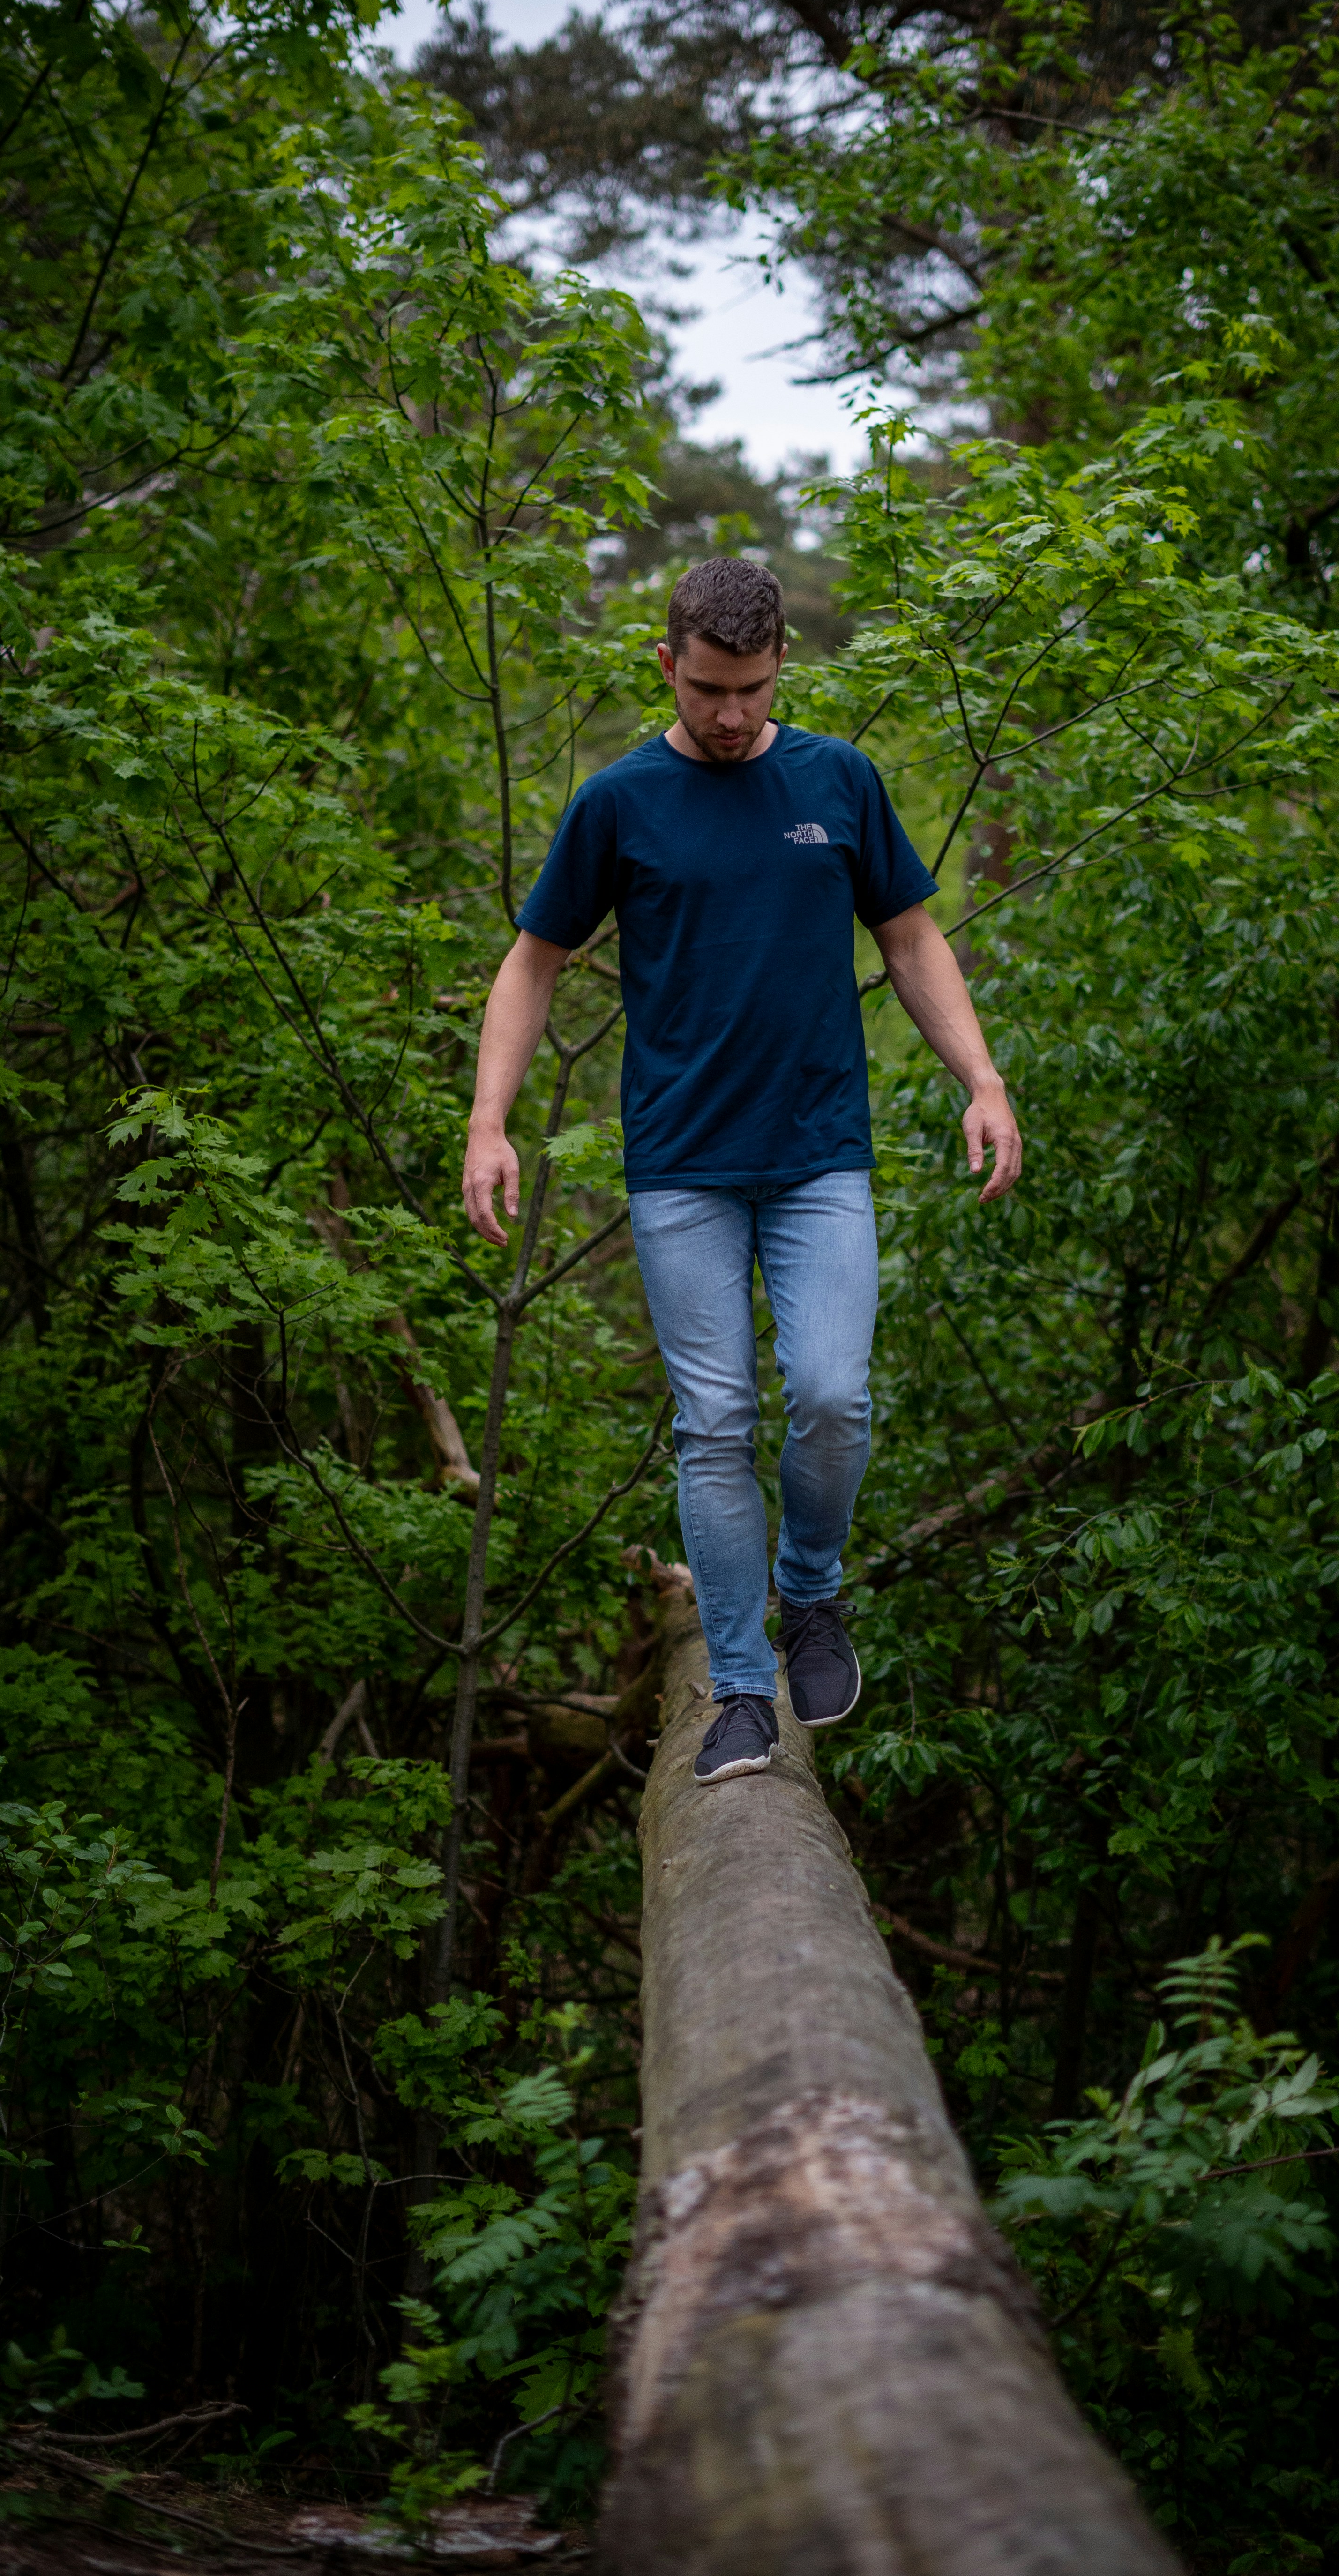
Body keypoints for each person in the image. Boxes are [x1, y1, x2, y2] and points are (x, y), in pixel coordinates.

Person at [462, 557, 1023, 1785]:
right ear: (668, 665)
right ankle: (738, 1690)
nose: (731, 714)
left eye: (753, 690)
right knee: (713, 1424)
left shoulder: (837, 781)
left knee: (831, 1394)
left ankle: (809, 1593)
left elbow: (911, 937)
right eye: (709, 689)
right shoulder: (621, 804)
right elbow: (533, 960)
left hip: (818, 1152)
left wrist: (982, 1081)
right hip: (682, 1166)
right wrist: (488, 1123)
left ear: (781, 668)